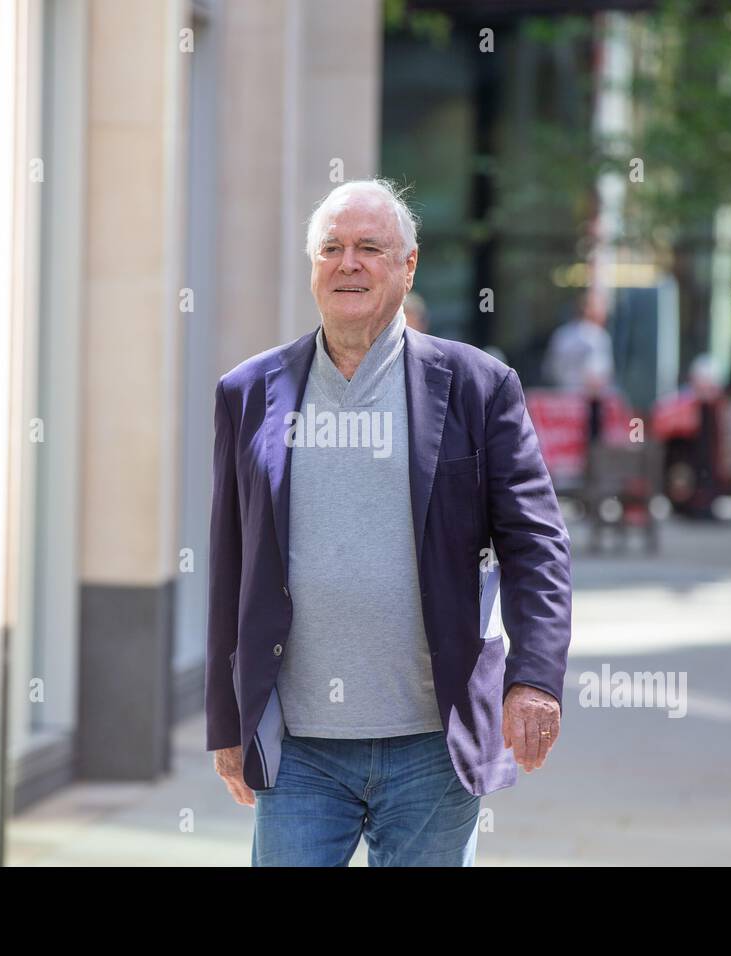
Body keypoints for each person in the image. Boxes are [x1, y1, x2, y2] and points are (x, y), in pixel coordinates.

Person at [204, 180, 572, 866]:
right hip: (299, 750)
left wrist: (537, 678)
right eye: (332, 248)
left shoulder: (478, 387)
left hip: (434, 743)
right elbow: (230, 563)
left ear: (408, 266)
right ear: (313, 267)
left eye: (370, 248)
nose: (349, 263)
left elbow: (536, 544)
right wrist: (227, 721)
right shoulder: (249, 393)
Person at [543, 287, 614, 393]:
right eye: (601, 307)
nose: (605, 312)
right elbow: (598, 378)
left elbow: (549, 371)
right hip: (587, 404)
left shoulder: (561, 334)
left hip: (561, 401)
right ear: (589, 309)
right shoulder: (598, 337)